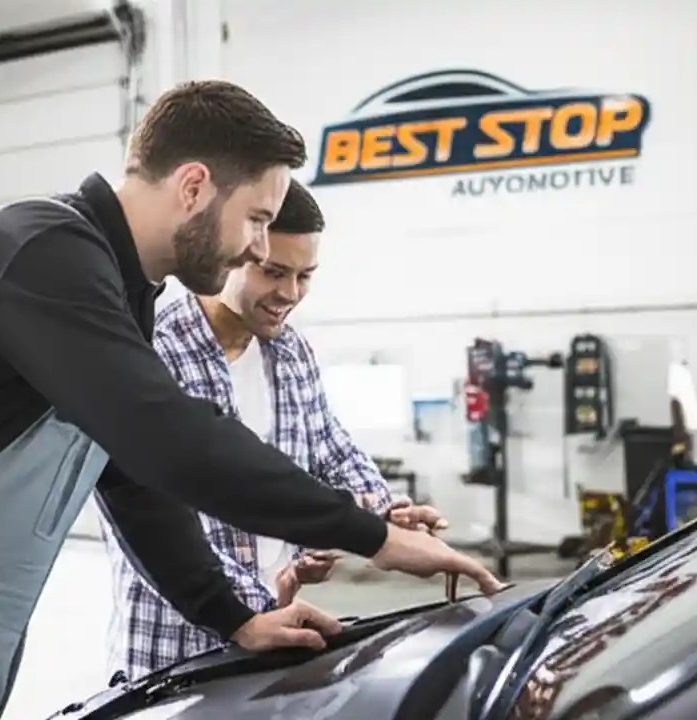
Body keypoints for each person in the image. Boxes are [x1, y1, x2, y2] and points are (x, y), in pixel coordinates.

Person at [0, 79, 501, 719]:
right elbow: (168, 439)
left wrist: (233, 617)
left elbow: (132, 477)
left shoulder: (121, 292)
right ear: (193, 186)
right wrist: (371, 533)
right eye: (258, 219)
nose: (256, 247)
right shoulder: (40, 250)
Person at [102, 180, 459, 680]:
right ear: (232, 254)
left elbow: (331, 449)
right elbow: (161, 519)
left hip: (272, 633)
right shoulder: (154, 352)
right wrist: (253, 609)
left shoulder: (290, 352)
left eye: (304, 276)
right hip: (178, 647)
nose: (289, 294)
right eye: (273, 272)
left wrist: (386, 515)